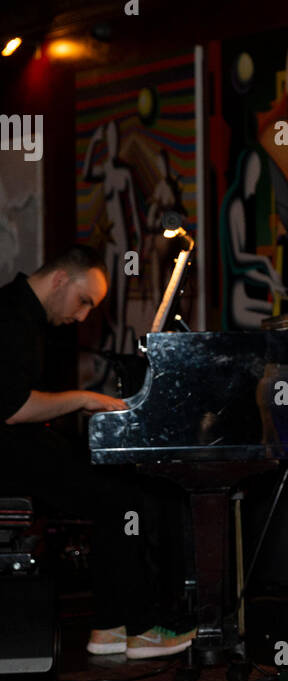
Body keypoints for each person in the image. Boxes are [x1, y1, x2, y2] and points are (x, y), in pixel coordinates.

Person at [0, 245, 195, 658]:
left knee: (118, 490)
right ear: (59, 280)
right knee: (123, 501)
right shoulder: (11, 317)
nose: (84, 316)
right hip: (7, 452)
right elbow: (14, 409)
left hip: (16, 447)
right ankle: (136, 628)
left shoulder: (23, 315)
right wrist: (86, 399)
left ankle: (110, 627)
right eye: (83, 301)